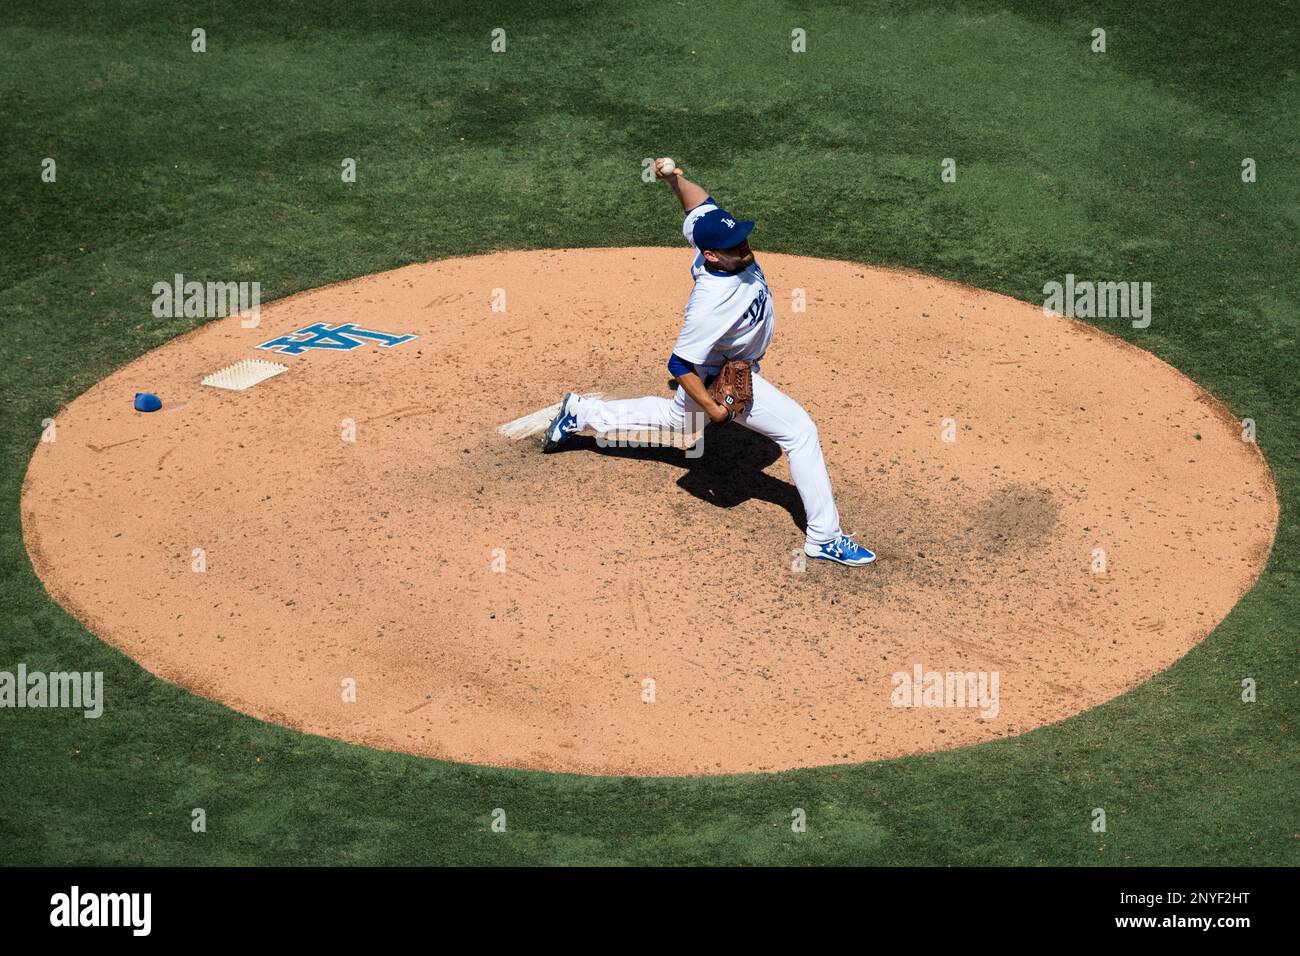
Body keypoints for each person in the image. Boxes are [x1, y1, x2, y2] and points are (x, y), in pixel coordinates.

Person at [542, 159, 875, 567]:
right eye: (735, 248)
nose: (746, 249)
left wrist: (674, 179)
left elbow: (699, 204)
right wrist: (715, 406)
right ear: (712, 257)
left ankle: (581, 412)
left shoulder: (717, 237)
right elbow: (680, 364)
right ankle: (825, 537)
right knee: (800, 431)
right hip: (717, 374)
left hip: (734, 362)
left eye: (743, 239)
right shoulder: (710, 305)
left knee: (677, 422)